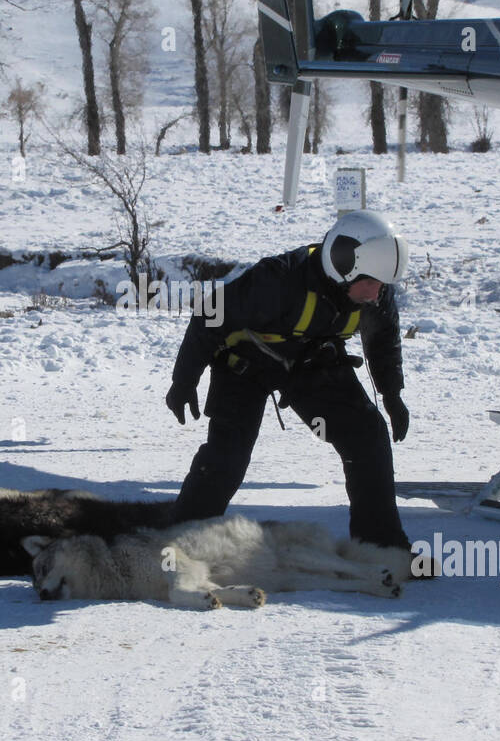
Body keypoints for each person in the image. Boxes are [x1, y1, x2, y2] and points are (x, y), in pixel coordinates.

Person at [165, 210, 424, 581]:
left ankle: (381, 545)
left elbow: (382, 341)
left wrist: (392, 394)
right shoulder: (277, 280)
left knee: (367, 435)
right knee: (228, 457)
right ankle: (179, 543)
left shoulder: (375, 290)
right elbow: (209, 314)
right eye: (370, 284)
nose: (377, 293)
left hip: (309, 363)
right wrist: (184, 379)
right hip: (245, 366)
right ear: (343, 265)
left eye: (383, 285)